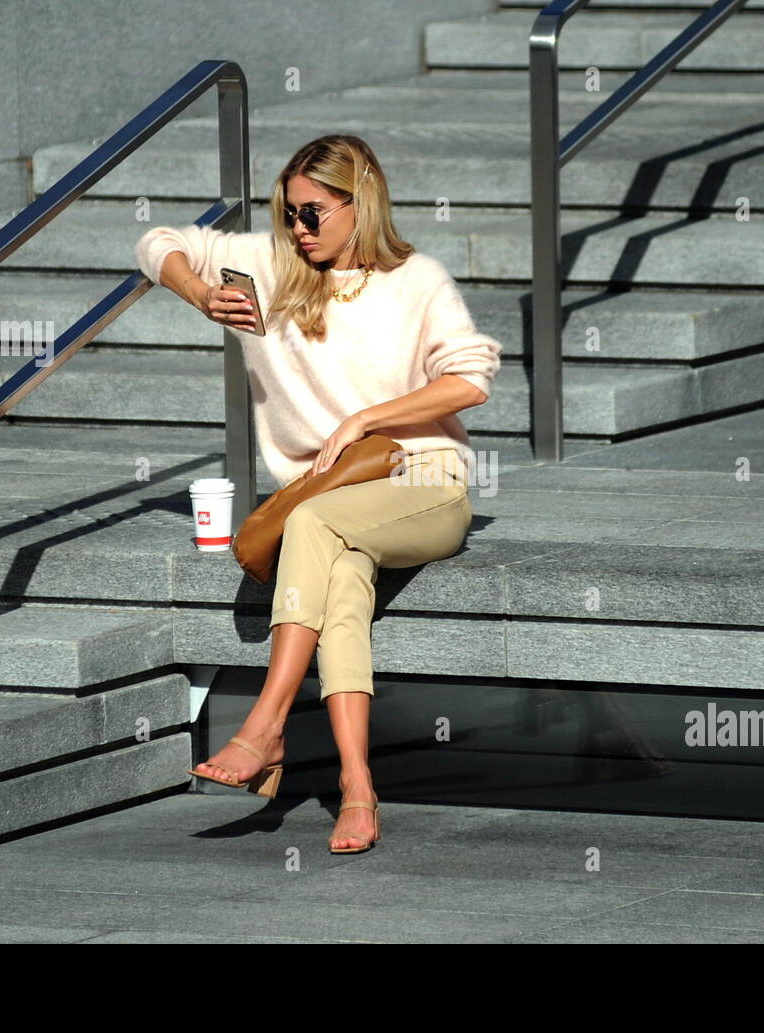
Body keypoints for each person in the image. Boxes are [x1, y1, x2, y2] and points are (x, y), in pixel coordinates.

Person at [134, 134, 501, 853]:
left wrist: (366, 416)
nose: (297, 230)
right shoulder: (274, 269)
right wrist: (203, 294)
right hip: (332, 500)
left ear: (358, 202)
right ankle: (358, 788)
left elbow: (472, 377)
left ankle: (267, 724)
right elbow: (158, 242)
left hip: (424, 478)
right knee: (341, 583)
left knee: (314, 522)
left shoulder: (417, 279)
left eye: (311, 214)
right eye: (287, 215)